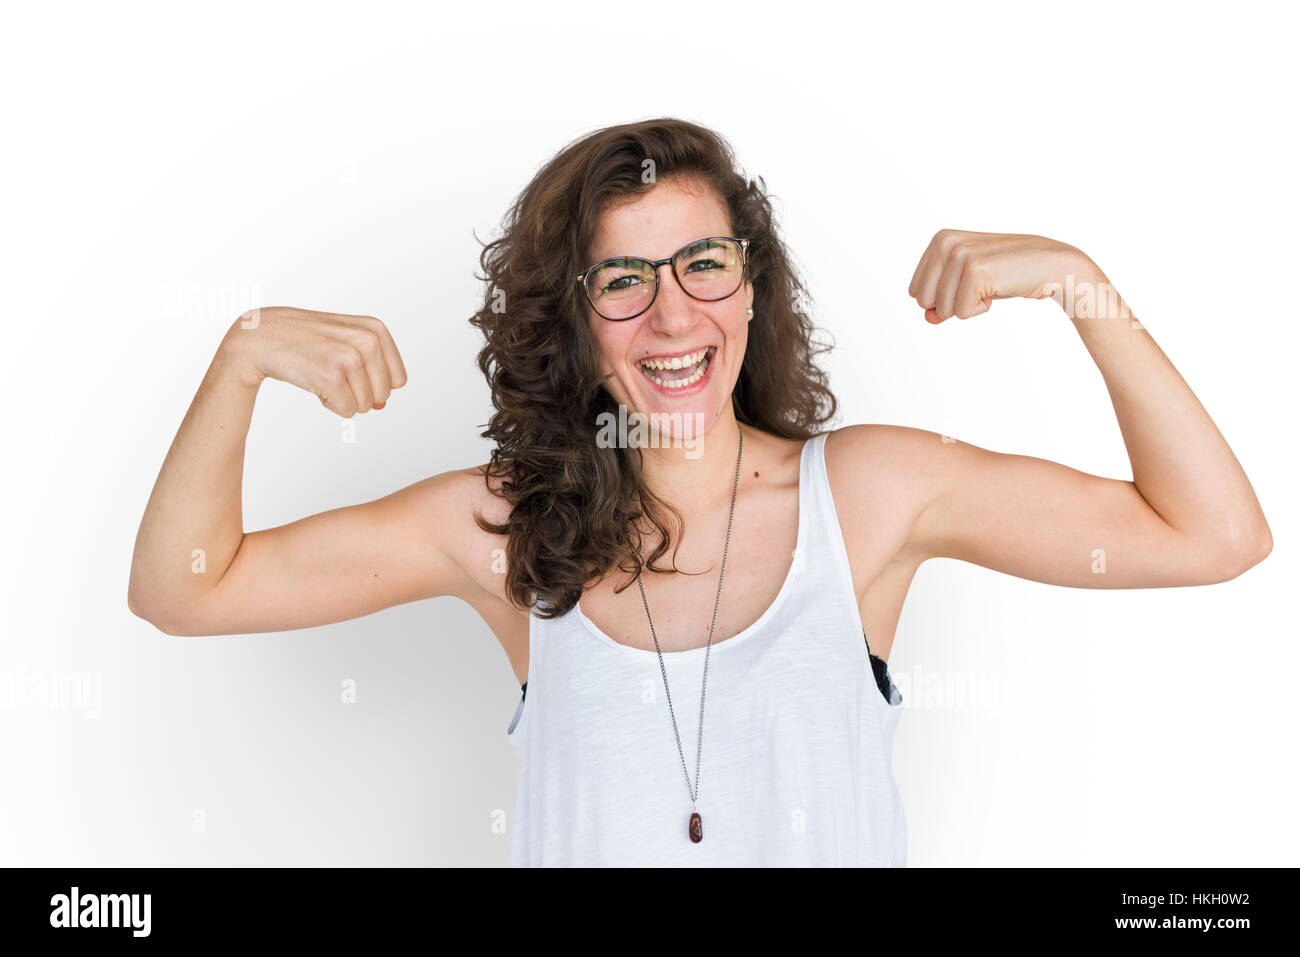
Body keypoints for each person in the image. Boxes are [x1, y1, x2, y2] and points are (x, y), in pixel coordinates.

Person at [127, 118, 1272, 866]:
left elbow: (1213, 533)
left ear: (750, 285)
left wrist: (1084, 286)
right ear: (569, 321)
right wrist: (238, 360)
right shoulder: (506, 528)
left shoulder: (867, 495)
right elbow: (187, 591)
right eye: (622, 280)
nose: (674, 318)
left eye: (703, 267)